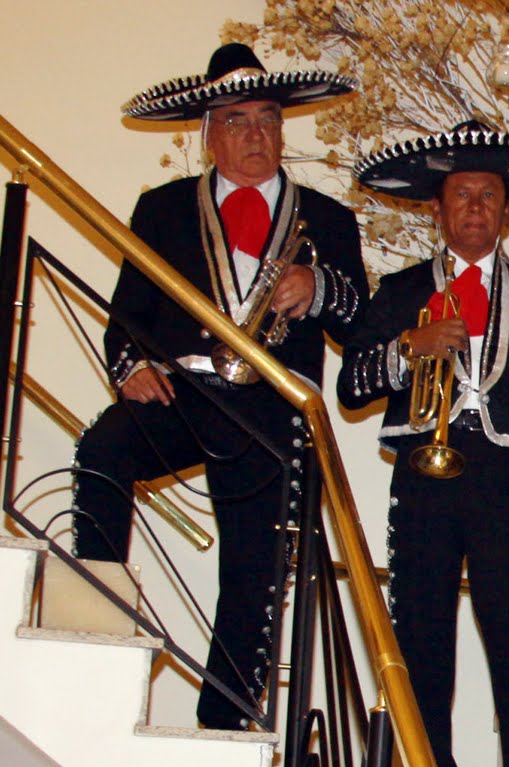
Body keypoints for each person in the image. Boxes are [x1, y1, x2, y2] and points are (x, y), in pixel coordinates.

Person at [74, 43, 367, 729]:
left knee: (252, 565)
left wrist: (320, 287)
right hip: (185, 390)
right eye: (237, 121)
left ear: (282, 128)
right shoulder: (164, 208)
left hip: (272, 403)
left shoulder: (328, 220)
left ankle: (225, 716)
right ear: (207, 132)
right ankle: (99, 617)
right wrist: (131, 367)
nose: (255, 135)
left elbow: (360, 331)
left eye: (267, 119)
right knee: (104, 449)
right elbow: (127, 315)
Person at [336, 122, 509, 767]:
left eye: (488, 197)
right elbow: (352, 386)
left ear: (507, 212)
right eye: (461, 197)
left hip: (507, 478)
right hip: (423, 475)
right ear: (437, 211)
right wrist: (405, 350)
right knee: (420, 639)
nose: (475, 208)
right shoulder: (403, 290)